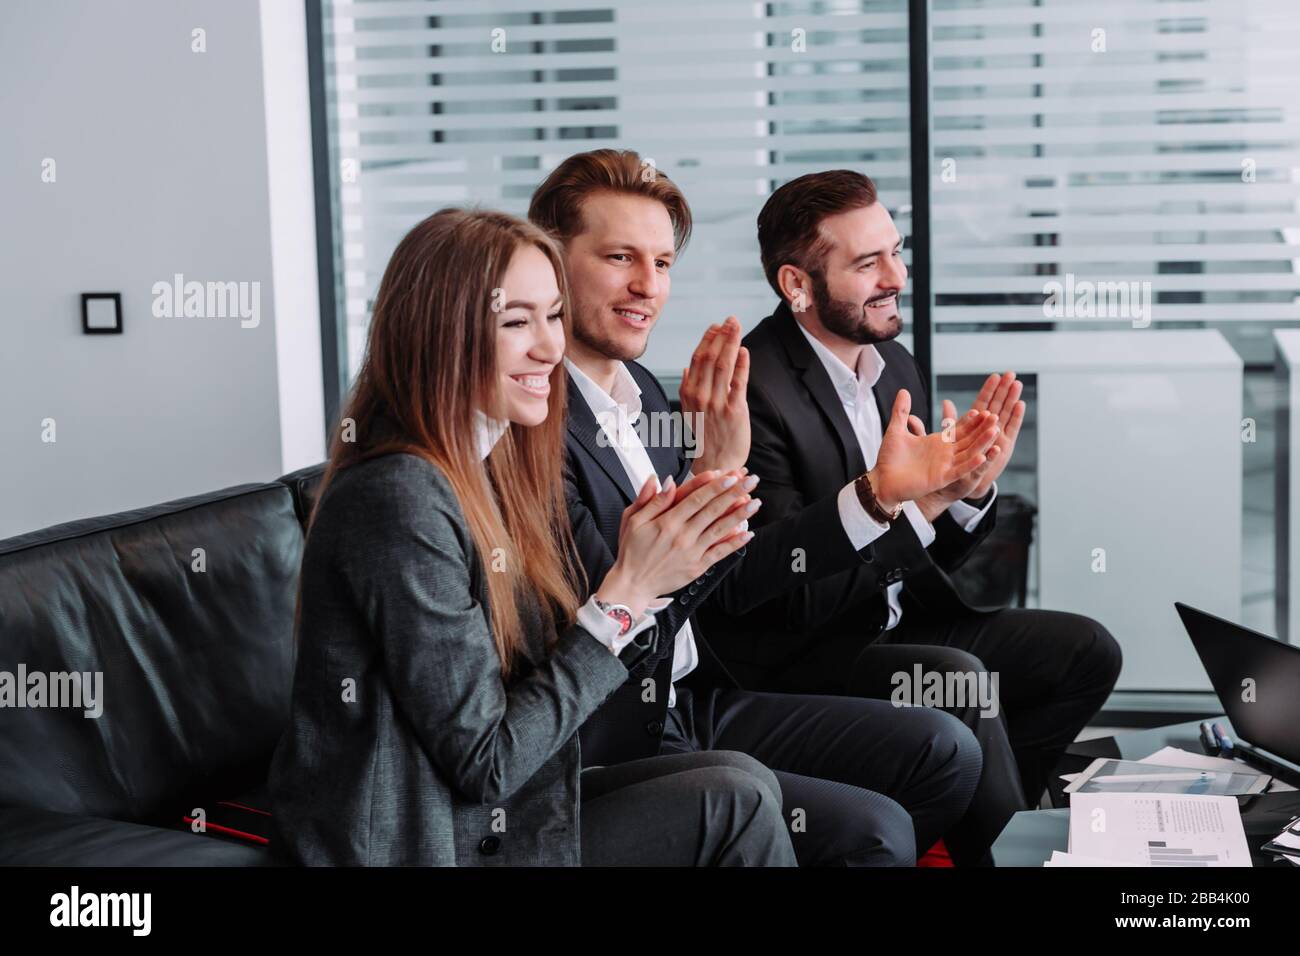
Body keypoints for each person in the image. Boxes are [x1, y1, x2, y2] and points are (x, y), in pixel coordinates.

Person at [268, 207, 796, 866]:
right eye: (517, 322)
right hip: (428, 838)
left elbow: (580, 653)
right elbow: (484, 763)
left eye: (553, 315)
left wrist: (687, 530)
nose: (550, 346)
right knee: (733, 802)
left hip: (509, 802)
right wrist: (624, 594)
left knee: (746, 782)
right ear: (440, 336)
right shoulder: (397, 494)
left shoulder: (497, 463)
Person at [529, 150, 985, 867]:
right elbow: (628, 621)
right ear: (549, 264)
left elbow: (728, 578)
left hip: (695, 696)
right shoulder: (536, 425)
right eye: (621, 257)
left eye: (663, 263)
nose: (649, 286)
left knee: (945, 753)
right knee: (877, 832)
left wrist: (881, 496)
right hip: (620, 729)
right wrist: (720, 476)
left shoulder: (647, 392)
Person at [715, 169, 1123, 830]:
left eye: (896, 252)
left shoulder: (893, 363)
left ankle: (982, 822)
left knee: (1087, 651)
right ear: (797, 284)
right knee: (956, 677)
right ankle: (994, 841)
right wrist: (913, 507)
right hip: (810, 652)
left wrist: (964, 494)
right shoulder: (753, 388)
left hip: (900, 618)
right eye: (869, 262)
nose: (897, 278)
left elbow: (925, 556)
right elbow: (785, 593)